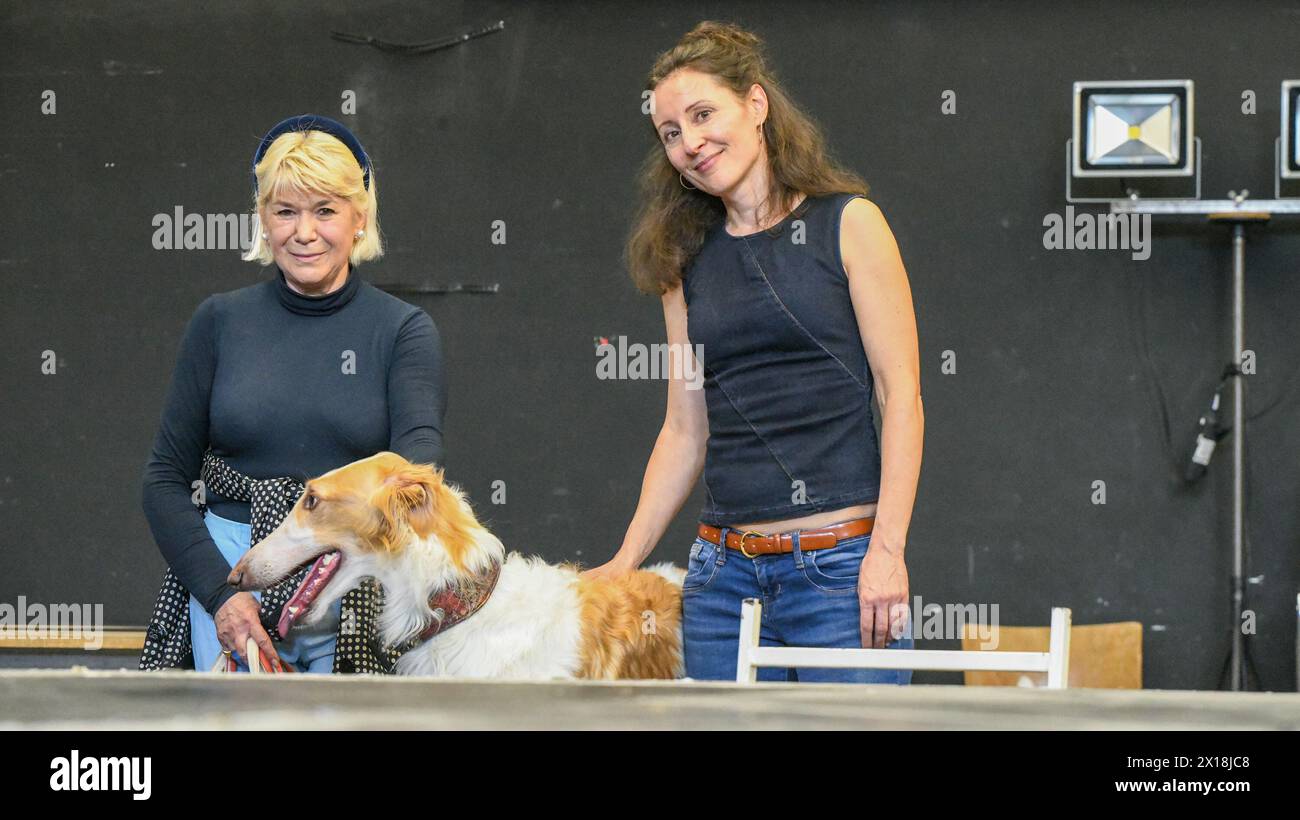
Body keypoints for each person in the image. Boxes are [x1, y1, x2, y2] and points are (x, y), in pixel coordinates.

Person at [583, 22, 924, 683]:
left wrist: (887, 552)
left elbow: (902, 398)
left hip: (840, 574)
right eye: (670, 133)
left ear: (757, 104)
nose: (690, 143)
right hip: (722, 581)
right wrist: (626, 559)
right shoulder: (683, 262)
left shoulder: (849, 225)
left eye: (703, 114)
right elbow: (685, 429)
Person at [139, 114, 446, 674]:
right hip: (232, 587)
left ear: (360, 217)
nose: (304, 232)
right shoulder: (218, 322)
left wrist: (334, 555)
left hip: (354, 579)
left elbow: (415, 472)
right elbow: (163, 481)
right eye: (285, 211)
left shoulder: (403, 330)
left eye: (325, 210)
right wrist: (221, 597)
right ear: (263, 220)